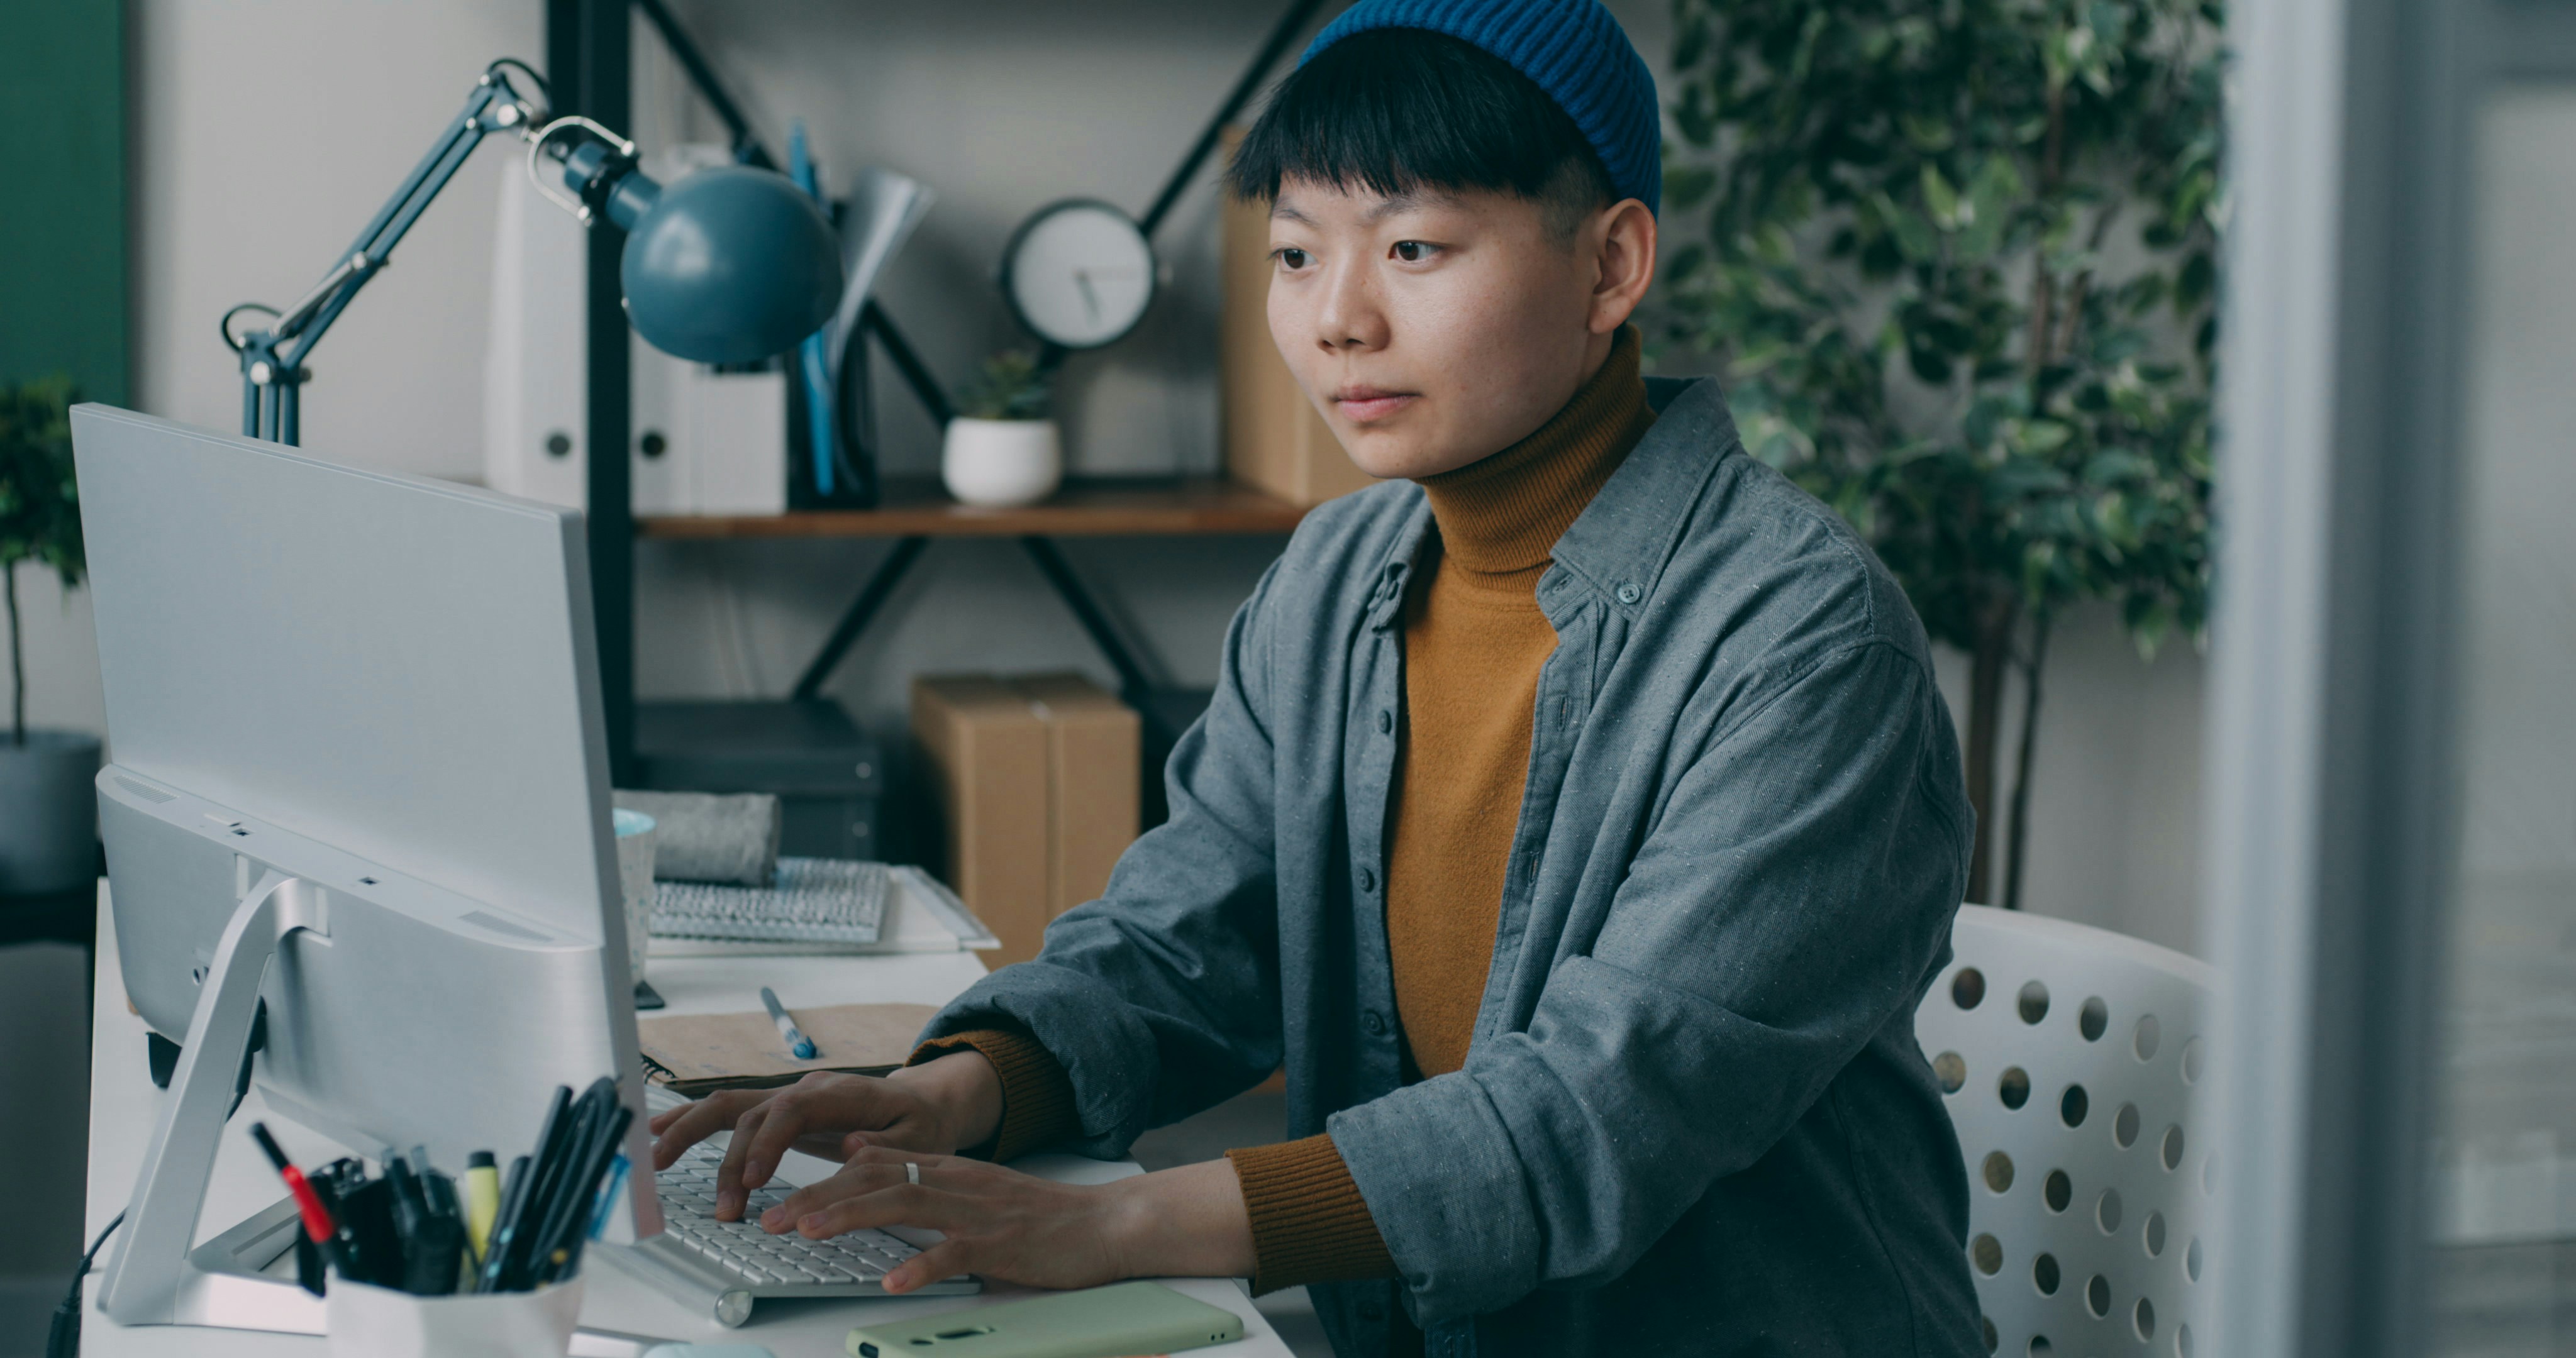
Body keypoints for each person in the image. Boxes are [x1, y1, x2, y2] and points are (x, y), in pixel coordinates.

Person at [650, 2, 1985, 1352]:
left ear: (1611, 264)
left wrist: (1104, 1226)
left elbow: (1593, 1116)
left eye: (1412, 247)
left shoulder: (1804, 643)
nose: (1337, 320)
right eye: (1294, 253)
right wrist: (959, 1091)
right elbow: (1191, 941)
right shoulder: (1338, 573)